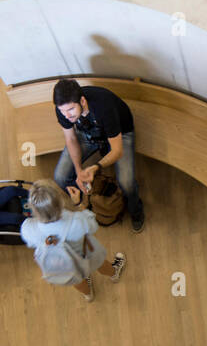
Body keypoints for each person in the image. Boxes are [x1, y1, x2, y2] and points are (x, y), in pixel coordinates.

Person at [52, 79, 145, 233]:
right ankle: (89, 199)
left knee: (126, 182)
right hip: (88, 133)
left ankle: (135, 210)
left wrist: (95, 167)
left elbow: (116, 150)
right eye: (62, 111)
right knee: (61, 177)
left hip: (119, 134)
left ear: (82, 101)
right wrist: (79, 171)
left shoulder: (104, 106)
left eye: (70, 110)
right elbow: (71, 138)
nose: (66, 116)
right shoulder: (63, 110)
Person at [20, 179, 126, 301]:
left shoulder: (27, 228)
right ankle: (114, 274)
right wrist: (79, 204)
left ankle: (88, 295)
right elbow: (92, 225)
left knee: (76, 280)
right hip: (87, 253)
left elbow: (32, 241)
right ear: (60, 201)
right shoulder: (76, 221)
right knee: (100, 263)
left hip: (64, 265)